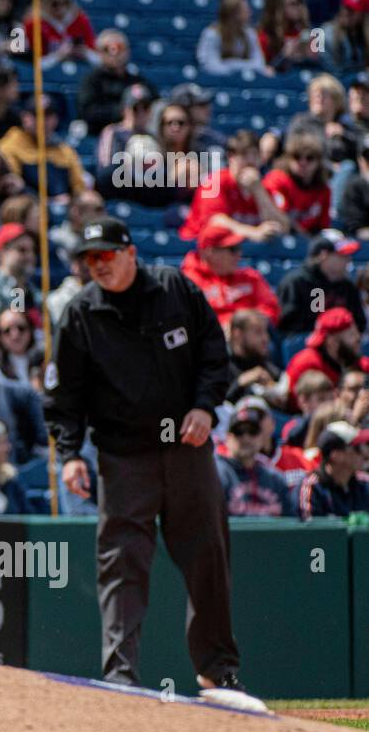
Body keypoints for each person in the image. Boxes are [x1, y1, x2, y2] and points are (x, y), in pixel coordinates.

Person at [44, 215, 248, 694]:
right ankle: (120, 676)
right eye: (89, 258)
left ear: (131, 252)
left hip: (187, 449)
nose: (97, 265)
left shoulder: (176, 289)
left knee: (208, 560)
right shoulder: (80, 314)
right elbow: (63, 397)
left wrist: (204, 406)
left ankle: (218, 670)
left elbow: (215, 357)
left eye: (106, 255)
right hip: (123, 457)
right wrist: (70, 454)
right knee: (121, 565)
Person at [179, 223, 281, 329]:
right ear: (209, 252)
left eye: (239, 248)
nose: (239, 254)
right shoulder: (188, 282)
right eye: (232, 249)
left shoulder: (250, 277)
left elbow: (270, 309)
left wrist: (247, 324)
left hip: (250, 338)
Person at [277, 229, 365, 335]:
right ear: (323, 255)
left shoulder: (348, 286)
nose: (348, 260)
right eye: (342, 255)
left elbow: (359, 324)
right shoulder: (296, 283)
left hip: (342, 348)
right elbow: (288, 327)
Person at [216, 404, 297, 517]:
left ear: (261, 437)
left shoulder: (275, 479)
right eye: (239, 432)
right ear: (228, 438)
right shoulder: (217, 474)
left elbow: (290, 524)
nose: (246, 438)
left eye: (252, 432)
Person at [78, 30, 154, 133]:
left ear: (128, 51)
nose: (114, 52)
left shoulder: (138, 81)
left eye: (119, 47)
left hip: (138, 134)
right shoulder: (91, 80)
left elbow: (155, 105)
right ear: (99, 52)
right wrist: (124, 112)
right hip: (101, 135)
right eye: (107, 49)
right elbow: (88, 112)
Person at [299, 420, 369, 517]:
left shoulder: (365, 484)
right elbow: (311, 530)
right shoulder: (313, 488)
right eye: (357, 448)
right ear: (336, 455)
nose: (365, 452)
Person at [196, 0, 268, 76]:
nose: (250, 12)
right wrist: (240, 69)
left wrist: (231, 64)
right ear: (234, 13)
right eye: (246, 9)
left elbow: (259, 64)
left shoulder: (249, 33)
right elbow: (210, 66)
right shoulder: (212, 33)